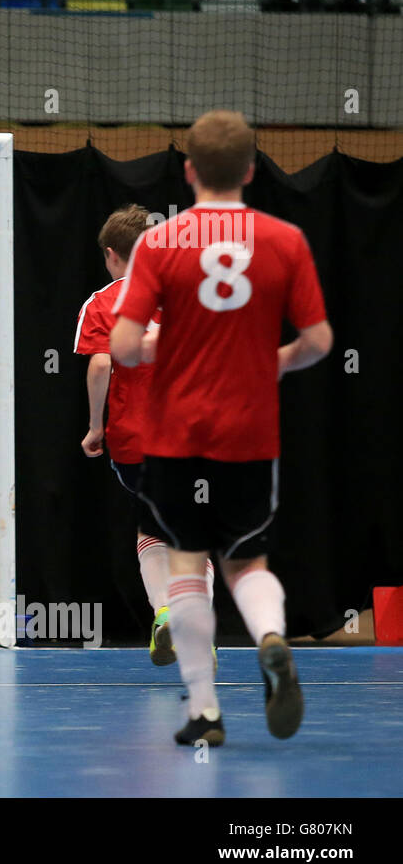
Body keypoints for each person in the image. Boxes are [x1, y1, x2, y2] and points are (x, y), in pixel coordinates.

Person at [110, 110, 332, 745]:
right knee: (246, 559)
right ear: (253, 170)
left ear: (188, 171)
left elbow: (124, 347)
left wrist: (166, 347)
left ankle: (204, 712)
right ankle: (269, 636)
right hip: (249, 431)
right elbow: (319, 341)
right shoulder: (285, 240)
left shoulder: (158, 242)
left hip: (177, 435)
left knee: (186, 562)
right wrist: (273, 362)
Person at [74, 205, 215, 665]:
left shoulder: (101, 303)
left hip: (135, 441)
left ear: (113, 255)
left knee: (153, 525)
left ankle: (166, 612)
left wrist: (97, 426)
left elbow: (99, 364)